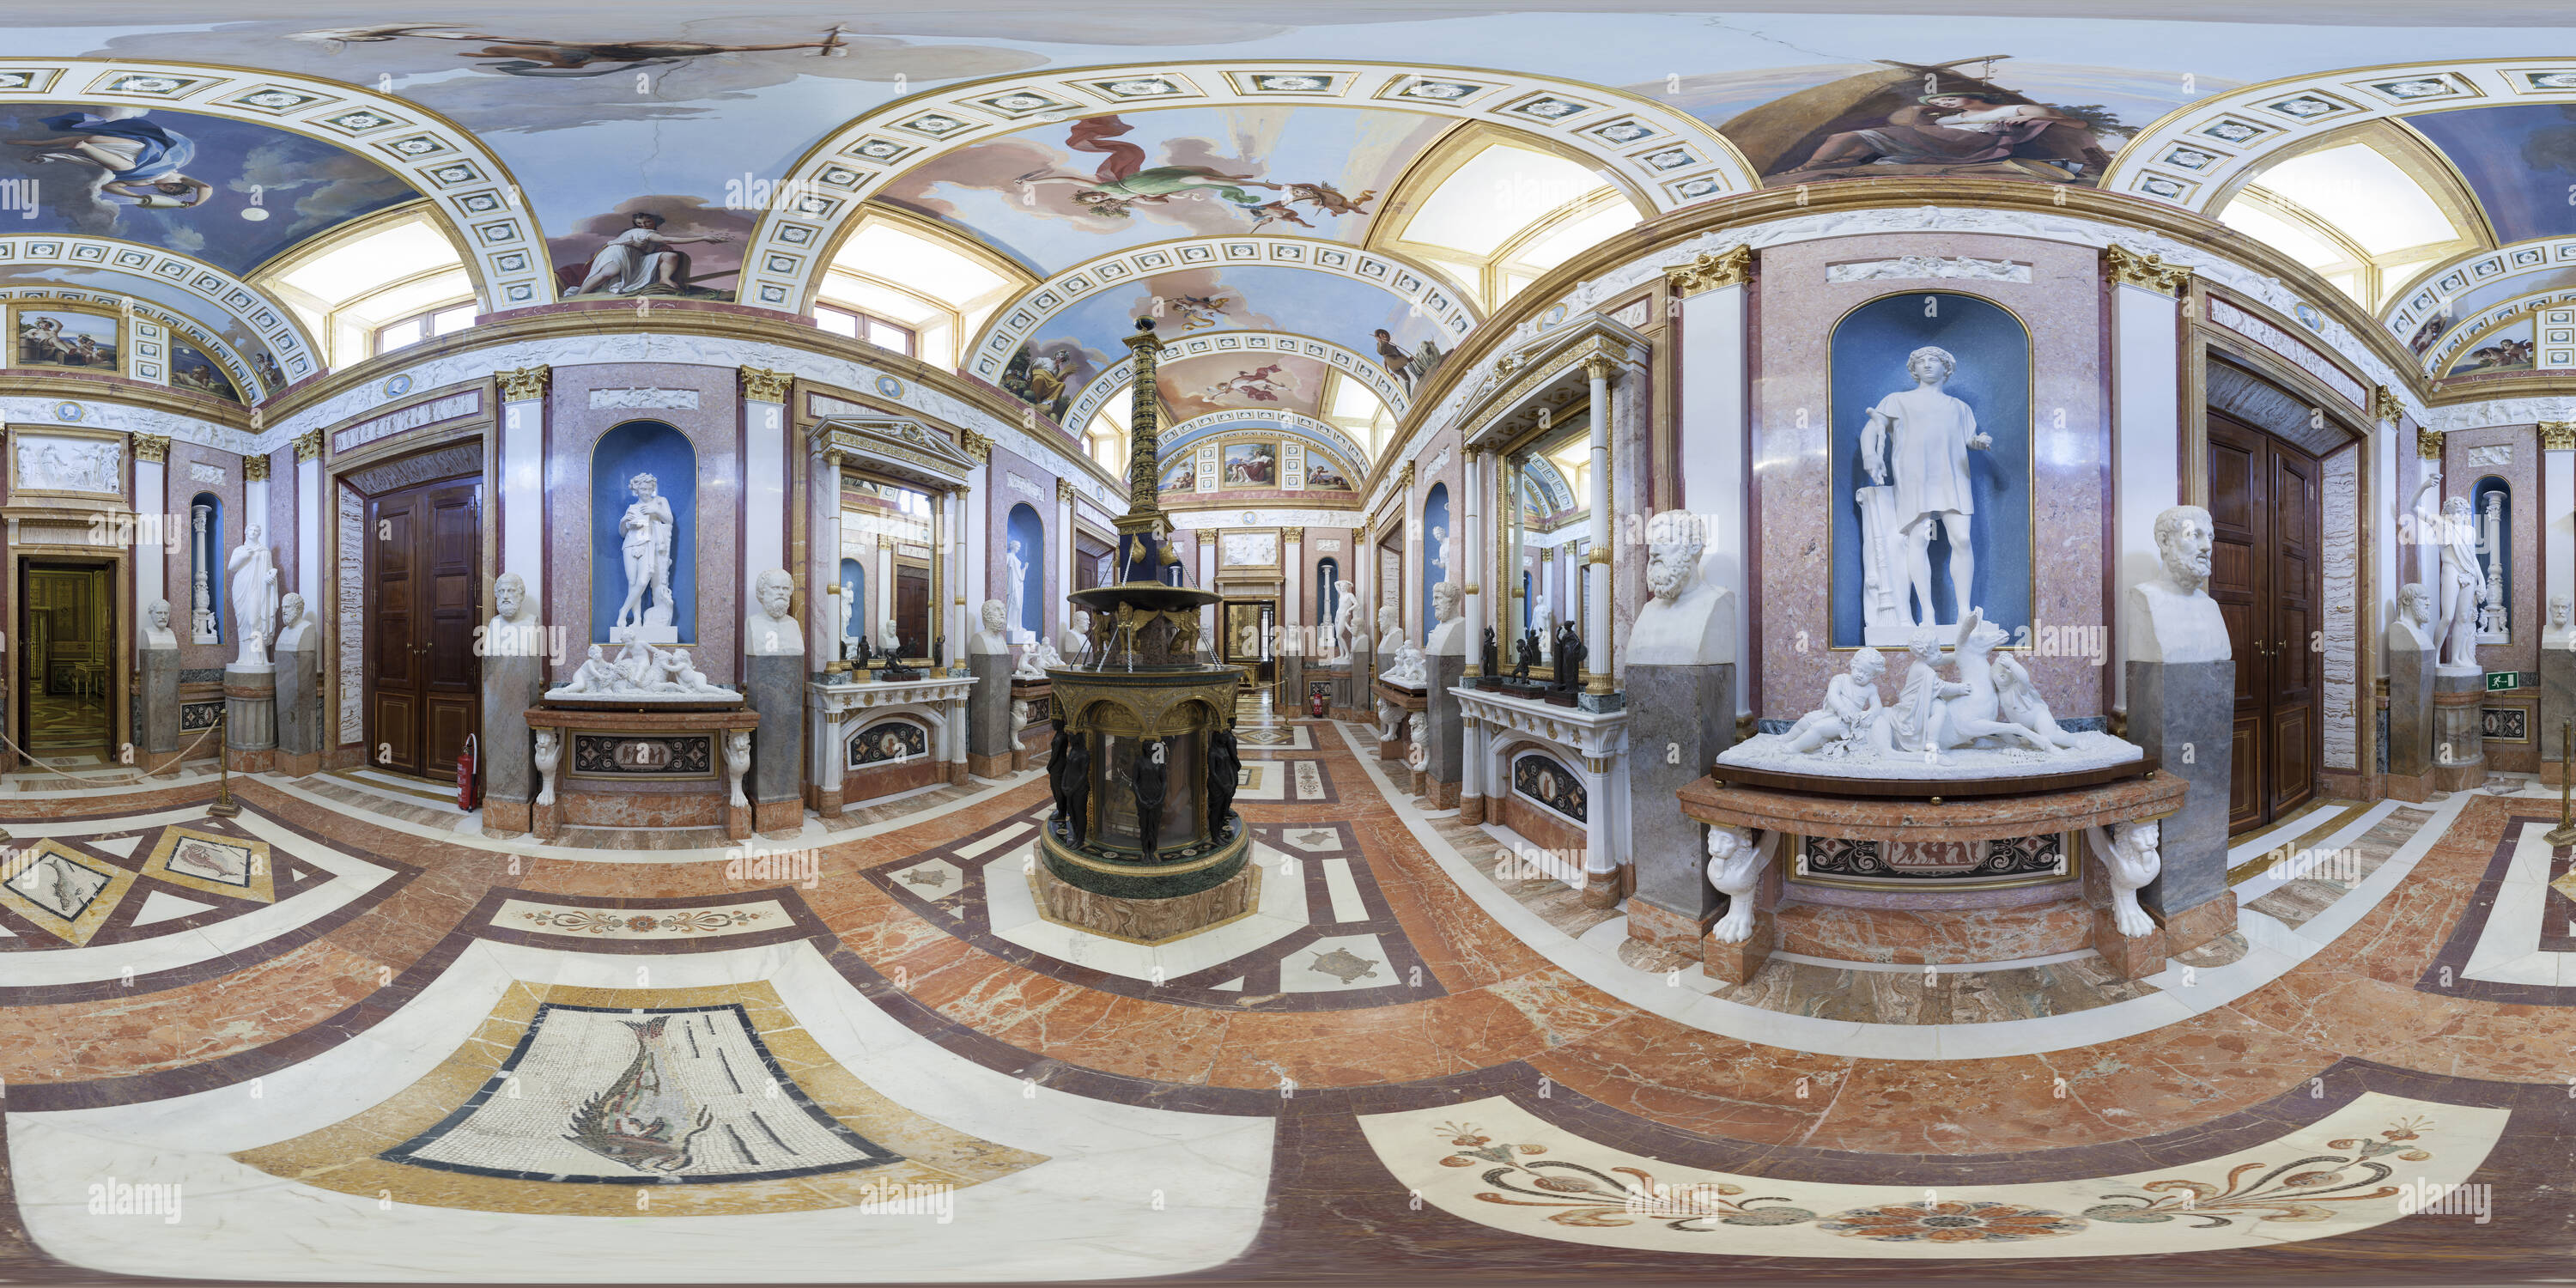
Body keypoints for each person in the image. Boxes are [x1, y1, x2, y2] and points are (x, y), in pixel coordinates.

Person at [8, 106, 210, 208]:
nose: (169, 187)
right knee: (94, 136)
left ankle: (77, 147)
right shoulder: (176, 175)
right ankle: (39, 143)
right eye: (174, 187)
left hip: (125, 164)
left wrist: (137, 197)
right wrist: (195, 203)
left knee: (125, 167)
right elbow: (206, 188)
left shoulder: (140, 185)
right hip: (143, 151)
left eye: (170, 190)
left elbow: (109, 187)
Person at [567, 212, 733, 297]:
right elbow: (670, 238)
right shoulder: (640, 233)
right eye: (640, 223)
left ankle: (664, 279)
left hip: (636, 260)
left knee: (671, 256)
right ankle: (581, 295)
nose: (643, 225)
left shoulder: (653, 238)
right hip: (618, 253)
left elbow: (664, 245)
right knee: (610, 272)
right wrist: (703, 238)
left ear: (655, 221)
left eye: (647, 222)